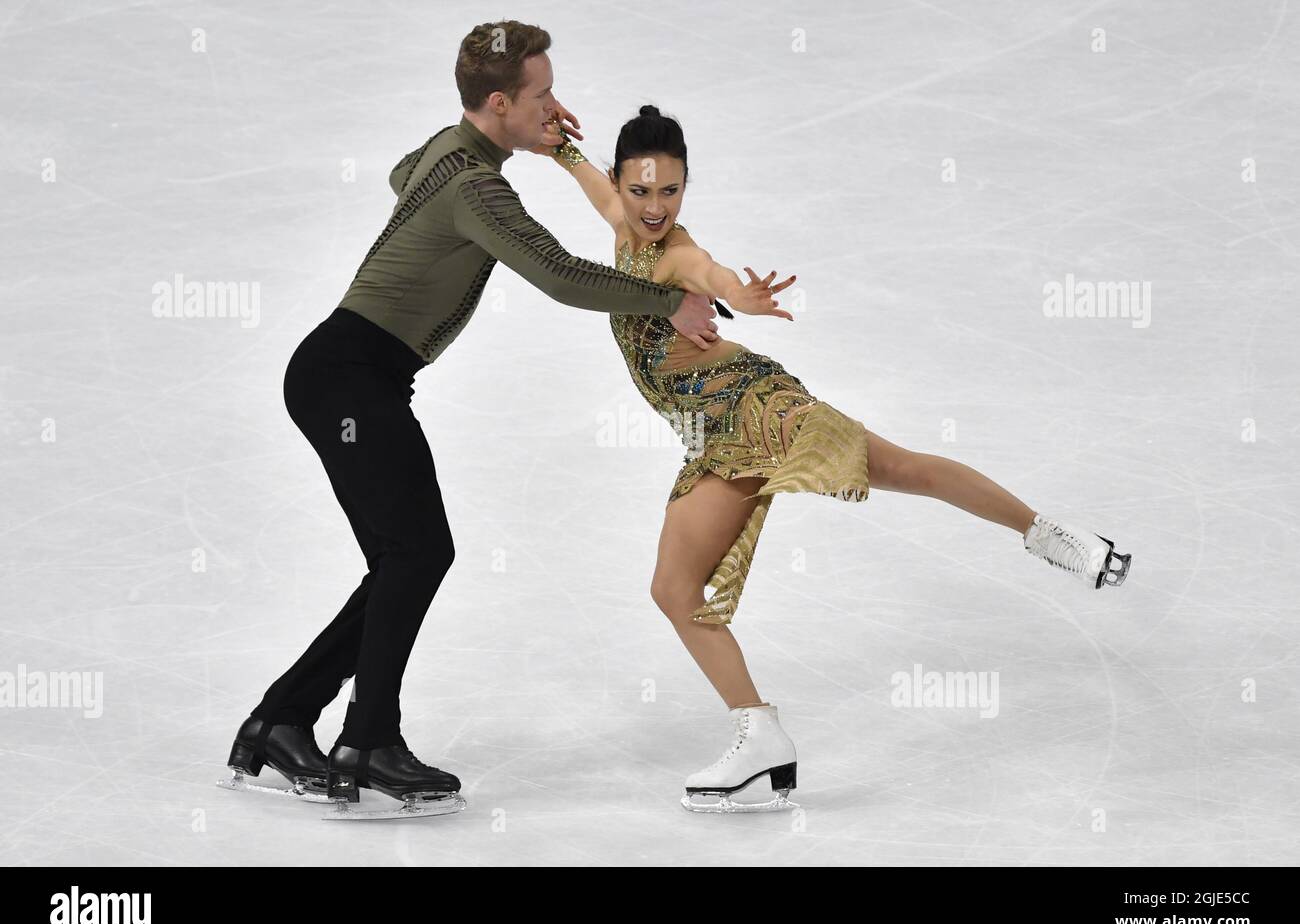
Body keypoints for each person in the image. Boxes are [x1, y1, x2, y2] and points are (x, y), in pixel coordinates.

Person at [533, 104, 1132, 813]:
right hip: (721, 430)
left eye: (672, 191)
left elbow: (711, 271)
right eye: (641, 191)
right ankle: (761, 734)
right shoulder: (619, 223)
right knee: (697, 575)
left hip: (750, 413)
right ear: (620, 184)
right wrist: (555, 147)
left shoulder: (677, 254)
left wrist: (739, 297)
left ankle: (1051, 537)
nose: (656, 206)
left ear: (687, 187)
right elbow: (588, 183)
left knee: (697, 576)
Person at [219, 22, 722, 820]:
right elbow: (558, 275)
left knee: (402, 559)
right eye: (542, 95)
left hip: (340, 374)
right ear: (500, 101)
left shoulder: (447, 151)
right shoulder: (477, 188)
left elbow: (399, 176)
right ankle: (368, 741)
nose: (556, 106)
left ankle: (281, 719)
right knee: (417, 553)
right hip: (351, 378)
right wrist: (671, 298)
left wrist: (539, 148)